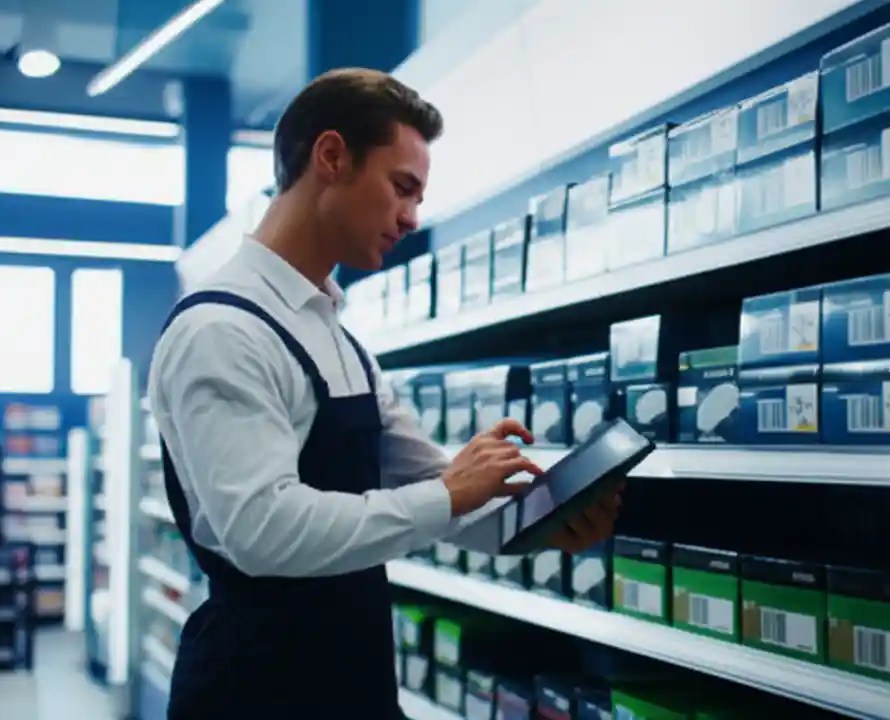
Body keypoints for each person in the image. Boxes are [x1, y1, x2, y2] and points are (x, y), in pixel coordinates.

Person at [148, 68, 623, 718]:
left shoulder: (340, 342)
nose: (411, 217)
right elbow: (262, 530)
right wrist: (450, 490)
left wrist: (540, 522)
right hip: (253, 692)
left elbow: (437, 494)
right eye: (403, 188)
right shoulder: (221, 331)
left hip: (354, 682)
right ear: (332, 157)